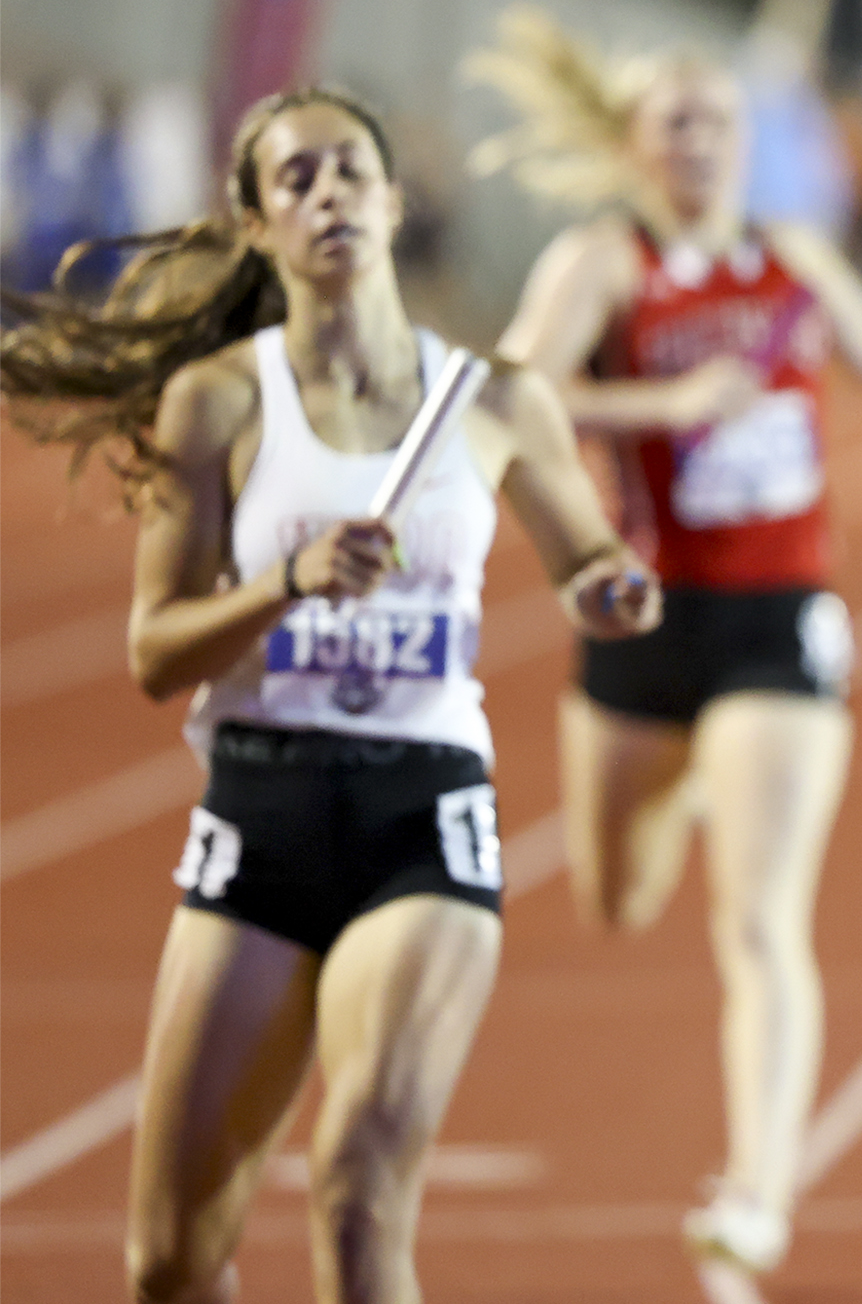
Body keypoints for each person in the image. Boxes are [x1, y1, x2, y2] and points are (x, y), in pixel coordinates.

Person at [0, 87, 660, 1304]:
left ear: (394, 199)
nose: (327, 194)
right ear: (256, 225)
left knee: (357, 1192)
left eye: (348, 169)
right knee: (166, 1256)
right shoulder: (220, 403)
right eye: (293, 180)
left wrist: (618, 592)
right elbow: (156, 652)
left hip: (425, 812)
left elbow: (589, 564)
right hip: (258, 808)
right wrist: (285, 583)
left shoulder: (496, 398)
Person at [466, 8, 862, 1276]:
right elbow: (511, 392)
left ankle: (760, 1189)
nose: (700, 141)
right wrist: (655, 400)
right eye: (675, 122)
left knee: (763, 922)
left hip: (775, 621)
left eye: (718, 121)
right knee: (618, 896)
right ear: (632, 146)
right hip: (639, 615)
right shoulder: (602, 264)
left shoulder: (784, 251)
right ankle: (678, 792)